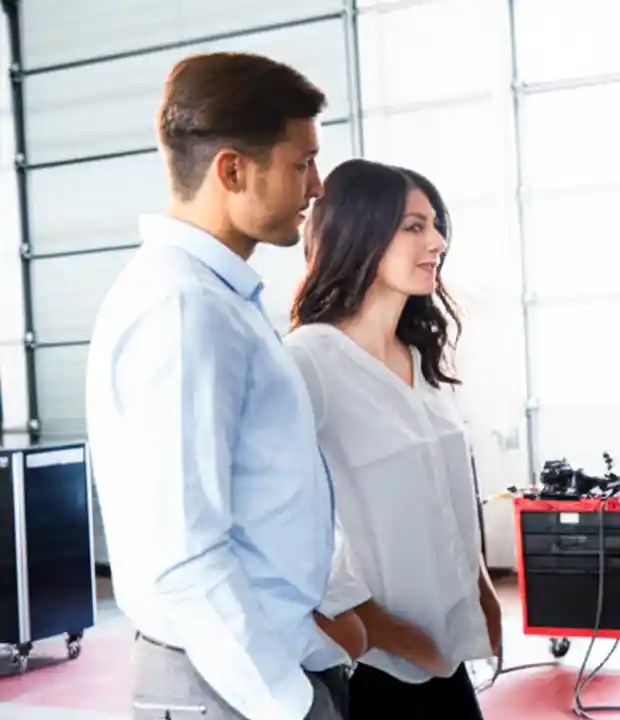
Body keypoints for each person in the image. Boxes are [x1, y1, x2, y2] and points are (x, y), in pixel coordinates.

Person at [84, 52, 366, 720]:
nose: (318, 185)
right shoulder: (185, 310)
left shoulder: (215, 297)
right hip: (230, 687)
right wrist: (290, 705)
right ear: (233, 170)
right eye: (302, 162)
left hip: (254, 666)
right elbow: (184, 555)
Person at [284, 158, 501, 719]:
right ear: (358, 232)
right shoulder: (310, 362)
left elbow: (448, 489)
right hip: (374, 661)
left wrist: (481, 588)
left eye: (435, 224)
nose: (438, 241)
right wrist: (376, 628)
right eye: (414, 226)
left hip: (444, 648)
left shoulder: (422, 361)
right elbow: (280, 521)